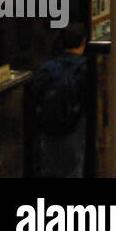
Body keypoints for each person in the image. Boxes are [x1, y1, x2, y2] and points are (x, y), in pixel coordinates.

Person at [32, 23, 88, 178]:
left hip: (49, 133)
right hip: (74, 131)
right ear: (83, 42)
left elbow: (35, 99)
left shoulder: (47, 68)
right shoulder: (85, 68)